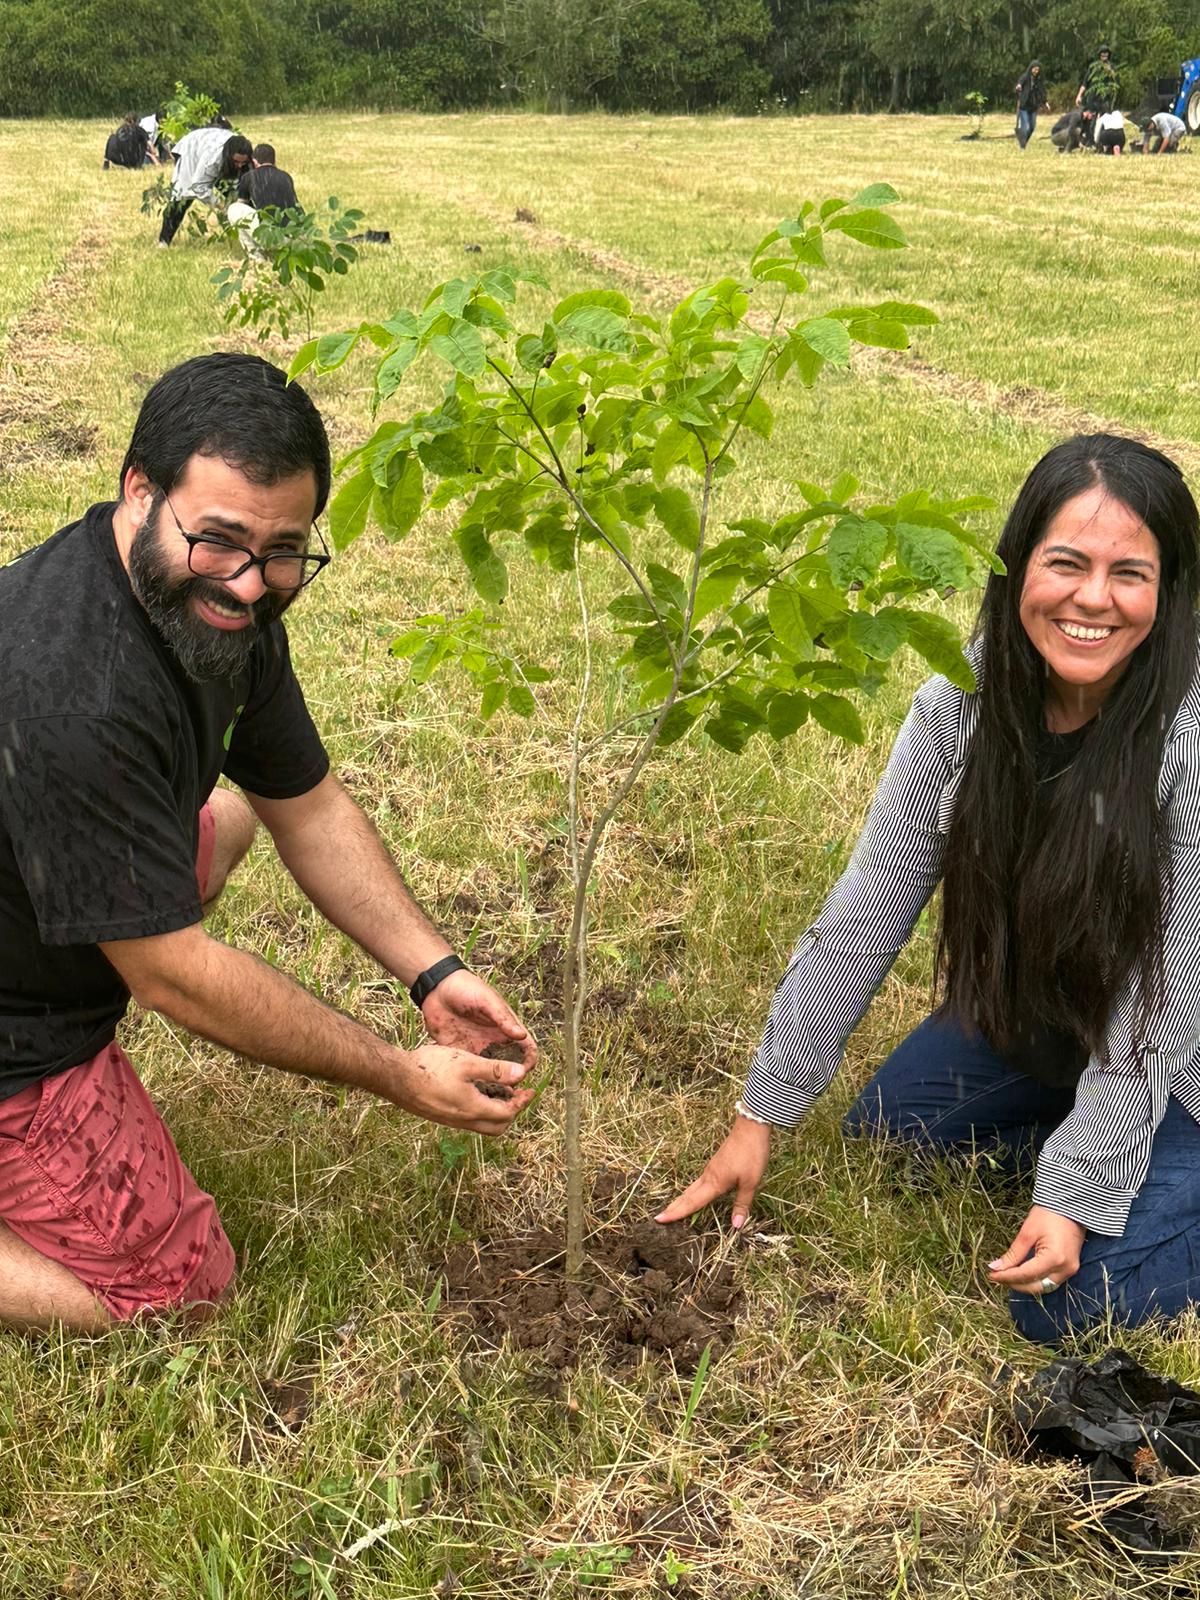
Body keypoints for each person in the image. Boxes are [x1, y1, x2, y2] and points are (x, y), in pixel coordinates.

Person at [0, 352, 537, 1332]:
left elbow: (307, 807)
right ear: (138, 492)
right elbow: (178, 980)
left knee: (233, 815)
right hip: (15, 1029)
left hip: (40, 884)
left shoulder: (218, 606)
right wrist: (399, 1074)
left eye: (283, 549)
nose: (250, 585)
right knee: (180, 1290)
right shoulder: (74, 694)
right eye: (221, 541)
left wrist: (433, 972)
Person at [659, 434, 1200, 1346]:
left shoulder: (1189, 735)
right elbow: (866, 911)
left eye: (1129, 574)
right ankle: (1097, 1132)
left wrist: (1079, 1190)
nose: (1092, 599)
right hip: (1060, 1018)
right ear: (1016, 566)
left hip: (1185, 1054)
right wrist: (763, 1111)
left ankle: (1139, 1161)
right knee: (894, 1137)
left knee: (1066, 1304)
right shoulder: (961, 701)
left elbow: (1166, 995)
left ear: (1171, 591)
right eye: (1066, 563)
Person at [158, 127, 252, 247]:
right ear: (229, 156)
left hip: (213, 144)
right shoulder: (211, 161)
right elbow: (198, 187)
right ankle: (164, 241)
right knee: (182, 197)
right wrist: (222, 206)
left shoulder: (245, 156)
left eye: (243, 162)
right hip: (191, 149)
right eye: (236, 162)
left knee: (239, 192)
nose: (239, 165)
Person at [226, 143, 301, 254]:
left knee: (234, 208)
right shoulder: (286, 176)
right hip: (295, 238)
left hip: (269, 236)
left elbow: (242, 204)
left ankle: (256, 256)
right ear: (274, 161)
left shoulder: (248, 177)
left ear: (254, 161)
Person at [1076, 44, 1118, 145]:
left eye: (1106, 53)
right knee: (1091, 122)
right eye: (1102, 53)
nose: (1104, 55)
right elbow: (1085, 83)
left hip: (1105, 99)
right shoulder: (1093, 67)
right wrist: (1079, 95)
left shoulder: (1112, 67)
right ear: (1099, 55)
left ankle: (1103, 143)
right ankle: (1089, 142)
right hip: (1092, 98)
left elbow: (1115, 83)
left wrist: (1110, 71)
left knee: (1105, 121)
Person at [1014, 61, 1049, 149]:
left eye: (1038, 70)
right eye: (1035, 69)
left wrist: (1045, 102)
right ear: (1031, 68)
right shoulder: (1025, 77)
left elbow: (1042, 91)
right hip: (1024, 106)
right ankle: (1022, 146)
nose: (1036, 71)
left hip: (1033, 106)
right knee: (1025, 127)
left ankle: (1023, 141)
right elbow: (1020, 83)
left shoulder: (1039, 80)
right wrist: (1019, 86)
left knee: (1032, 127)